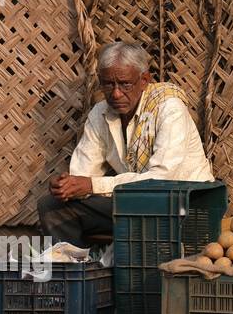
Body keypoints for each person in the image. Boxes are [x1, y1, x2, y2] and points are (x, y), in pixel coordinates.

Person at [38, 41, 214, 247]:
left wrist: (92, 185)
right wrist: (68, 186)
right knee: (52, 206)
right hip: (135, 203)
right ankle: (76, 271)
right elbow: (83, 173)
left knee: (142, 203)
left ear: (144, 80)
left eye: (124, 84)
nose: (116, 94)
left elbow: (161, 181)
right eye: (108, 84)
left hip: (182, 205)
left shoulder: (169, 109)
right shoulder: (100, 113)